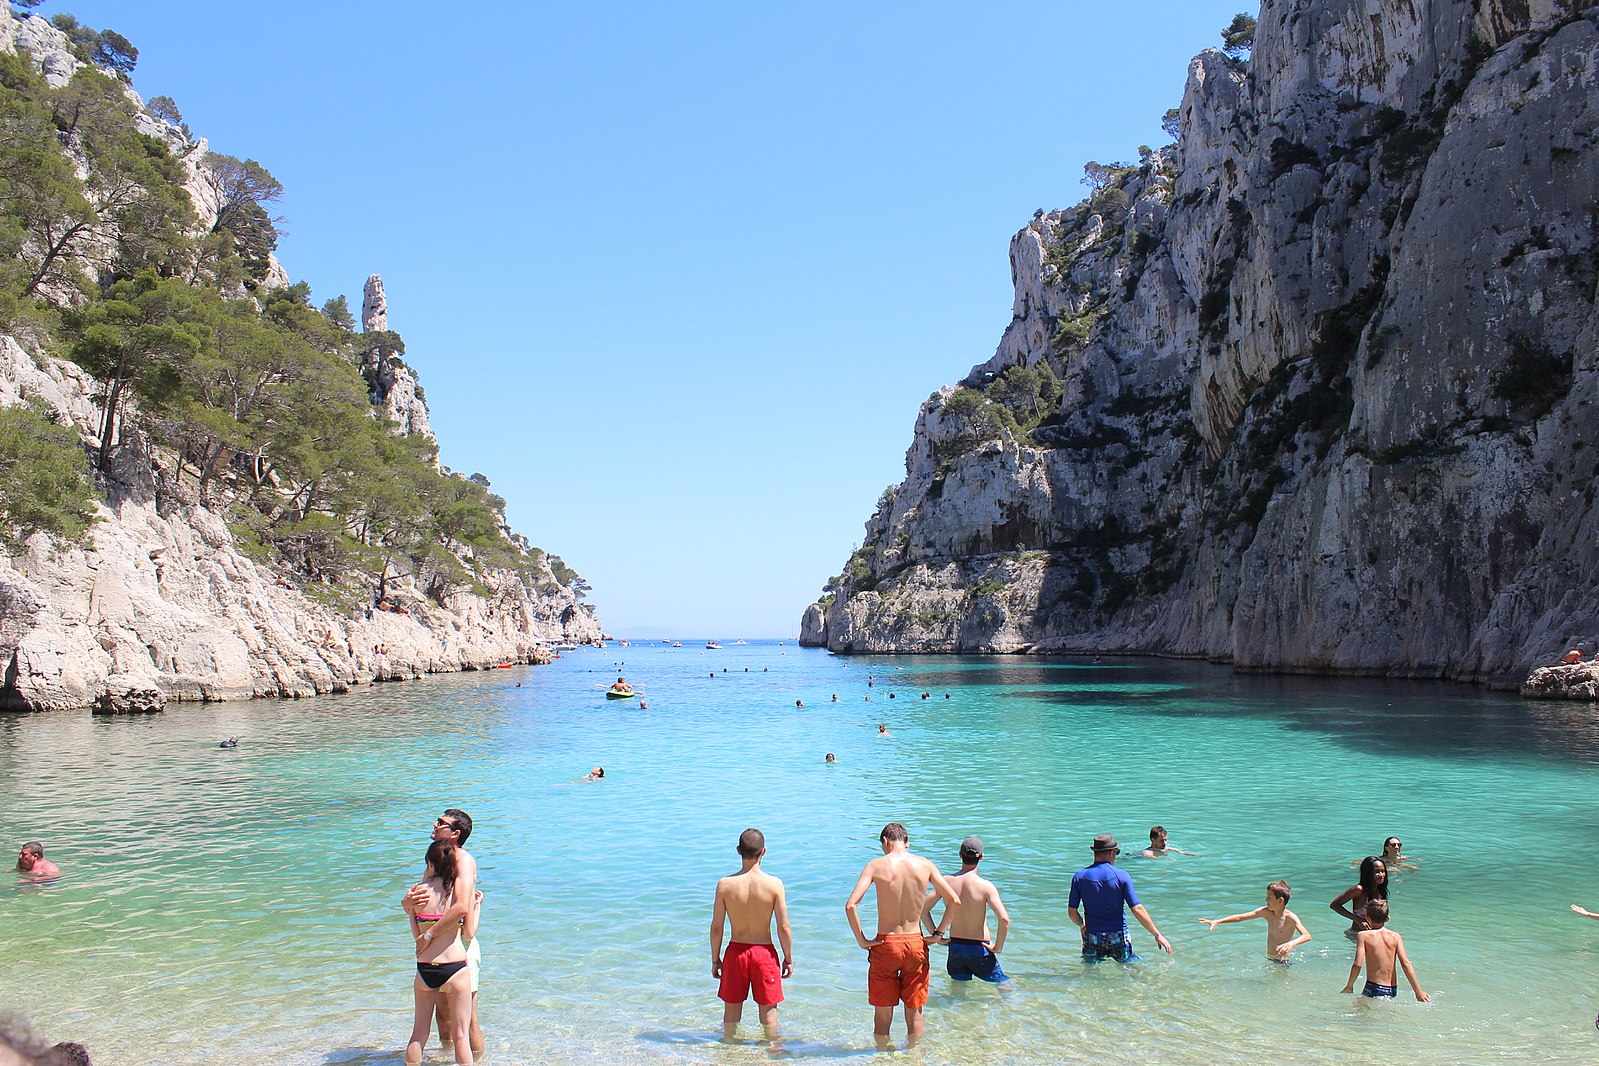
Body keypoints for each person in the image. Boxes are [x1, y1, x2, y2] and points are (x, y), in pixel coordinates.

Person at [845, 823, 960, 1046]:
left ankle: (880, 1057)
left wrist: (863, 941)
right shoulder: (924, 865)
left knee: (882, 1014)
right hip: (915, 942)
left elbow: (851, 906)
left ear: (886, 842)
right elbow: (954, 901)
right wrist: (938, 934)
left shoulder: (875, 866)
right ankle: (913, 1057)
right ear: (905, 843)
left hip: (885, 944)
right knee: (914, 1012)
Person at [403, 810, 482, 1057]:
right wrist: (406, 904)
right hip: (451, 953)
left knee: (468, 1022)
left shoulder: (463, 861)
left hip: (452, 948)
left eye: (441, 823)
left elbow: (460, 907)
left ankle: (478, 1059)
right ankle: (448, 1057)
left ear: (455, 833)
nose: (434, 825)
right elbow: (456, 909)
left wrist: (427, 935)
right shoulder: (441, 863)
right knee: (445, 1020)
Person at [710, 829, 794, 1041]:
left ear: (738, 851)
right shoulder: (774, 884)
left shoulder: (725, 885)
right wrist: (788, 958)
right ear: (764, 851)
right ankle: (773, 1054)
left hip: (736, 953)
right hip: (764, 953)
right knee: (769, 1017)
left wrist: (715, 959)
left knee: (730, 1016)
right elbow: (784, 926)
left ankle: (728, 1054)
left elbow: (716, 928)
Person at [1068, 834, 1172, 962]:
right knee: (1127, 968)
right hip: (1118, 935)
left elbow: (1072, 912)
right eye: (1117, 853)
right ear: (1112, 852)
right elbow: (1137, 909)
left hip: (1092, 935)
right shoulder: (1121, 875)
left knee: (1089, 970)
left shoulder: (1079, 876)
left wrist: (1082, 924)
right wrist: (1157, 934)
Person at [922, 836, 1011, 985]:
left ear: (960, 855)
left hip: (955, 948)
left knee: (958, 990)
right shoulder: (985, 886)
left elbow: (923, 910)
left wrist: (936, 936)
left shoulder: (946, 882)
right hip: (979, 948)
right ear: (981, 857)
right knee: (1003, 985)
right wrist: (998, 947)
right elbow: (1004, 919)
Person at [1198, 881, 1312, 961]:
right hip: (1270, 958)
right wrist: (1218, 921)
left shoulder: (1290, 918)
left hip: (1283, 961)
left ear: (1280, 900)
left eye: (1269, 897)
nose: (1265, 899)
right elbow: (1240, 917)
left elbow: (1307, 936)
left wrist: (1291, 944)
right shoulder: (1266, 912)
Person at [1340, 900, 1428, 1001]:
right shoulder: (1396, 937)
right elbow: (1406, 964)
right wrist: (1418, 991)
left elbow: (1358, 964)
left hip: (1373, 987)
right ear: (1387, 919)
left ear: (1367, 917)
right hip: (1392, 989)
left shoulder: (1363, 936)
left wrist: (1349, 985)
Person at [1331, 857, 1387, 938]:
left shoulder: (1380, 891)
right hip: (1357, 935)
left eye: (1383, 871)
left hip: (1374, 934)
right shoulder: (1359, 890)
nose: (1381, 875)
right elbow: (1334, 905)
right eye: (1377, 872)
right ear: (1368, 873)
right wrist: (1357, 919)